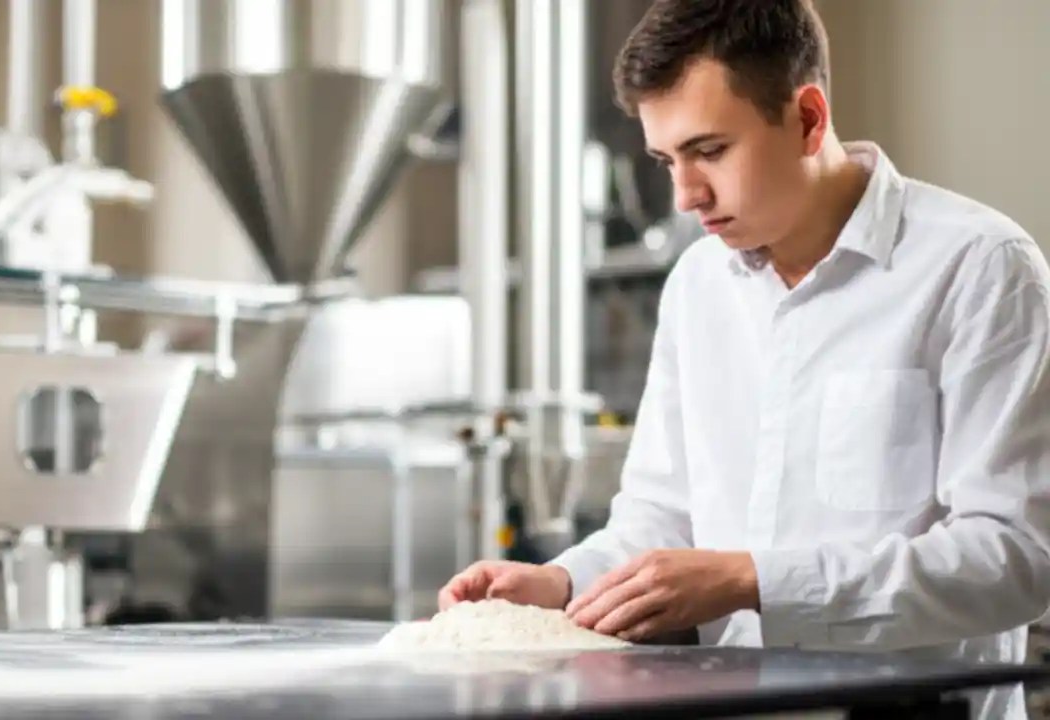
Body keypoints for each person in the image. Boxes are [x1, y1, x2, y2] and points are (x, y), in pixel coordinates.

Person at [438, 1, 1050, 718]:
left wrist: (756, 580)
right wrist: (563, 585)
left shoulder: (979, 268)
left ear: (809, 118)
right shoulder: (698, 287)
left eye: (710, 151)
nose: (685, 195)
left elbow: (1019, 556)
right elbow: (660, 523)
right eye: (667, 160)